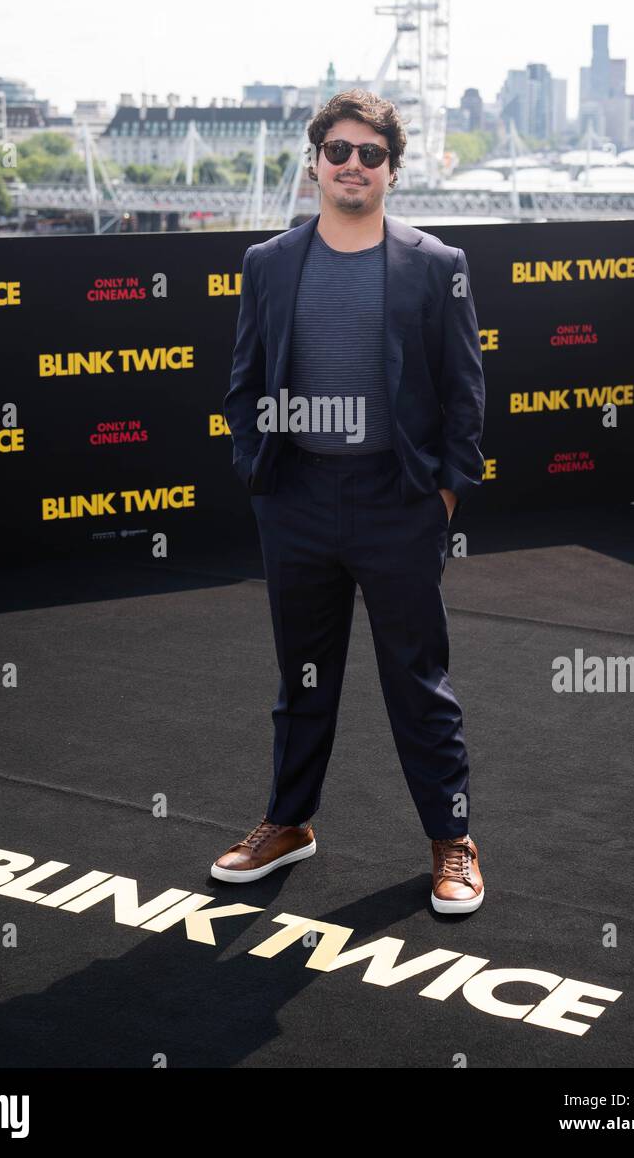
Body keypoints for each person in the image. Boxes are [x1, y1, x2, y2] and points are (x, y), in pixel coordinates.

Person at [215, 88, 487, 913]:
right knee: (302, 678)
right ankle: (289, 823)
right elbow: (245, 385)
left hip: (396, 500)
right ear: (315, 163)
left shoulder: (437, 266)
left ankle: (453, 840)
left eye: (371, 155)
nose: (353, 166)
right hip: (296, 498)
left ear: (393, 172)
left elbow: (465, 396)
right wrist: (264, 481)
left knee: (417, 679)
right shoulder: (267, 263)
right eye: (339, 151)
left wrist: (440, 500)